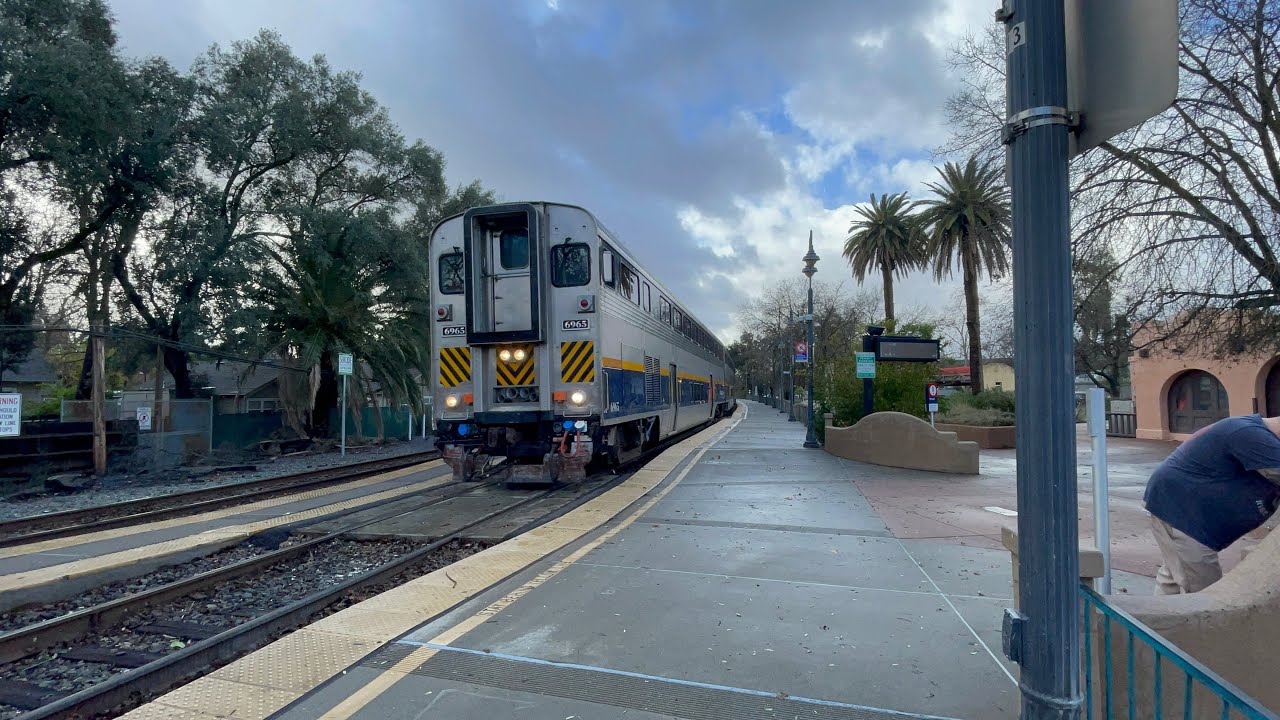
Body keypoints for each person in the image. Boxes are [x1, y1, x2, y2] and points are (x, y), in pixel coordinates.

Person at [1143, 413, 1280, 595]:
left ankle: (1153, 621)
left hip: (1185, 513)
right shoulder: (1252, 435)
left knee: (1176, 578)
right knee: (1204, 592)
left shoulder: (1251, 431)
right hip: (1182, 514)